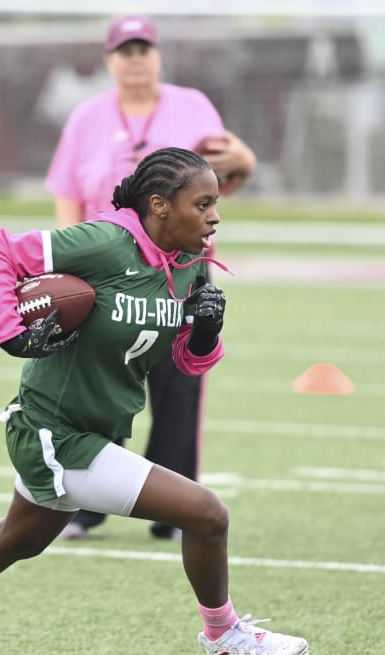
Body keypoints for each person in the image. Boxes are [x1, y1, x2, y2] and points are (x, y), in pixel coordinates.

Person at [0, 147, 309, 655]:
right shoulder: (104, 242)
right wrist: (10, 331)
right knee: (206, 513)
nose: (216, 215)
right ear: (160, 205)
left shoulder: (191, 264)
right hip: (52, 430)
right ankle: (225, 636)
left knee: (20, 538)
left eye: (216, 203)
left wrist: (207, 332)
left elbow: (185, 362)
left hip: (97, 427)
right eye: (204, 203)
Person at [46, 14, 258, 542]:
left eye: (144, 49)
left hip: (184, 267)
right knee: (100, 382)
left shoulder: (193, 106)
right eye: (125, 51)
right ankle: (86, 504)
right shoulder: (87, 117)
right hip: (109, 270)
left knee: (180, 386)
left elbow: (223, 178)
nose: (136, 59)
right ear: (109, 60)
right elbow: (68, 195)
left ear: (158, 55)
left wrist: (245, 163)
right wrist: (72, 265)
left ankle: (176, 507)